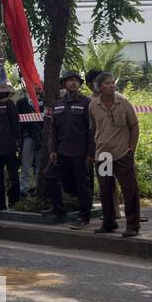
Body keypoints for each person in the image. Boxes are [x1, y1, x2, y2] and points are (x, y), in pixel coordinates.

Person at [88, 72, 141, 237]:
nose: (111, 86)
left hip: (122, 153)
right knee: (105, 189)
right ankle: (109, 222)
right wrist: (91, 152)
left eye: (112, 83)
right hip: (103, 155)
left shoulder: (124, 102)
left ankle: (132, 225)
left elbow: (134, 127)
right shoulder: (93, 106)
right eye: (107, 83)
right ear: (99, 87)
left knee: (129, 189)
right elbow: (93, 130)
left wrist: (131, 150)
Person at [45, 70, 93, 227]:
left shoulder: (86, 103)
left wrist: (91, 153)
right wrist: (52, 150)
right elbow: (53, 129)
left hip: (80, 152)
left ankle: (84, 217)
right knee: (49, 176)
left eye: (76, 80)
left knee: (82, 185)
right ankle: (58, 208)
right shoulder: (58, 103)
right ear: (64, 84)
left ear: (79, 84)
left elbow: (92, 130)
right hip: (61, 151)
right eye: (69, 80)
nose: (73, 83)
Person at [0, 91, 21, 211]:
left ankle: (14, 203)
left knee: (13, 177)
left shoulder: (9, 104)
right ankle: (0, 205)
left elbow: (15, 124)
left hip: (9, 146)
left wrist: (16, 141)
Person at [15, 92, 42, 197]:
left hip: (41, 137)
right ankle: (24, 189)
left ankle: (39, 187)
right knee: (26, 165)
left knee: (40, 165)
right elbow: (19, 122)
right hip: (27, 136)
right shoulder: (22, 102)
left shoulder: (44, 102)